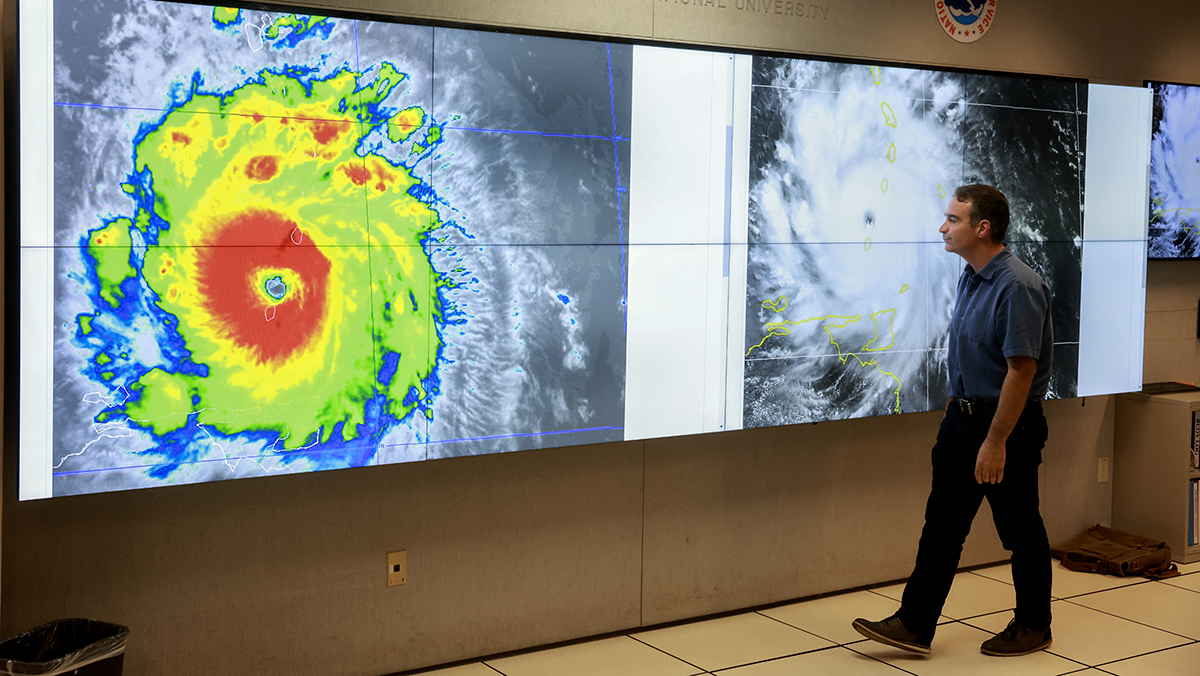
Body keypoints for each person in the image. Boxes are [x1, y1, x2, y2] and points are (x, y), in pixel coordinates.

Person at [852, 184, 1054, 657]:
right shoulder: (972, 276)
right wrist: (953, 409)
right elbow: (967, 352)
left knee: (1021, 531)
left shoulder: (1018, 286)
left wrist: (995, 441)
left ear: (982, 228)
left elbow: (1021, 371)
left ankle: (1034, 625)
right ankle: (914, 624)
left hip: (1006, 429)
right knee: (941, 528)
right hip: (963, 422)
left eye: (953, 219)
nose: (943, 227)